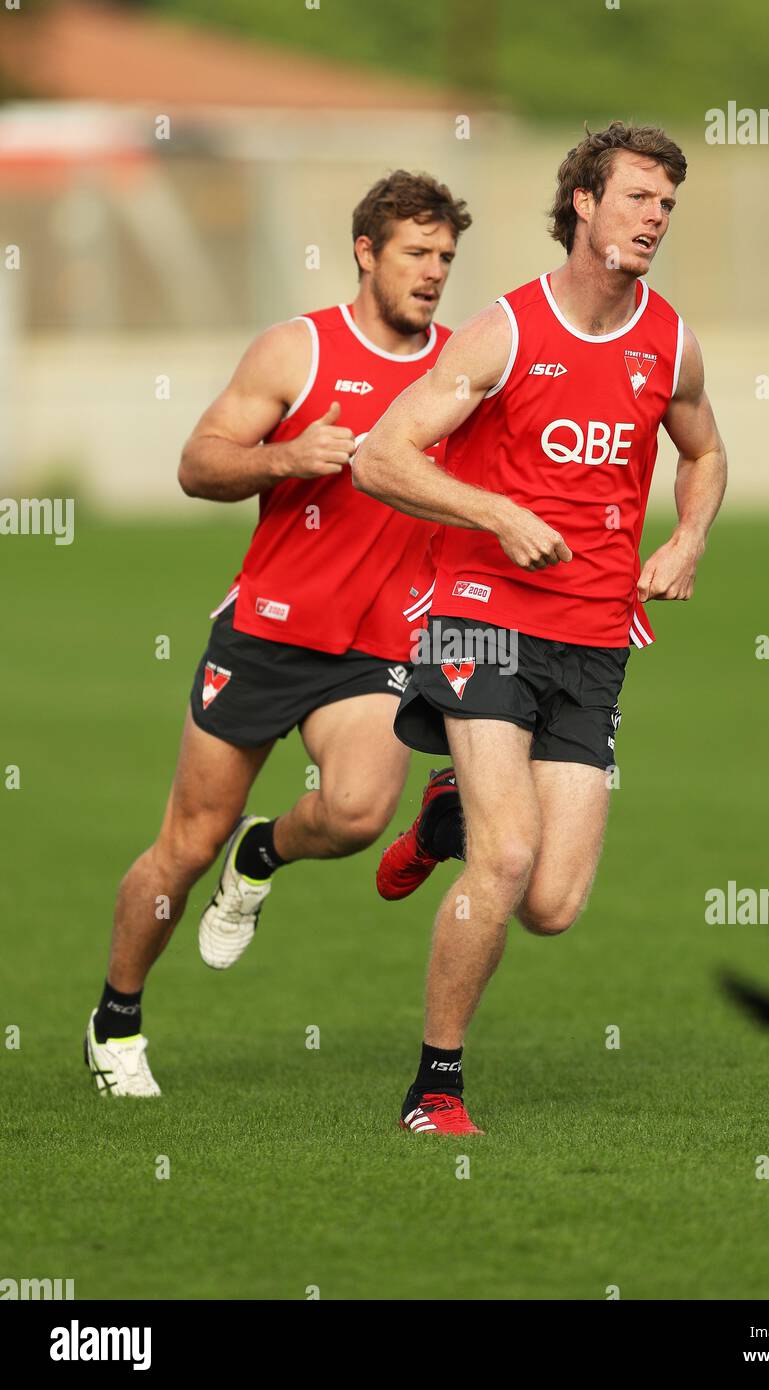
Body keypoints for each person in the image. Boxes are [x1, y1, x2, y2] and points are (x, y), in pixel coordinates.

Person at [352, 123, 727, 1135]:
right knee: (508, 857)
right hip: (477, 617)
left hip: (597, 631)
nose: (654, 218)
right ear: (582, 204)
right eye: (638, 198)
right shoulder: (505, 331)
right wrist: (497, 514)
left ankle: (446, 818)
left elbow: (702, 451)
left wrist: (688, 534)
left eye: (666, 205)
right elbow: (381, 457)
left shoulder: (670, 340)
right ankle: (434, 1088)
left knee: (553, 903)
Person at [85, 171, 471, 1097]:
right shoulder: (295, 351)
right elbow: (197, 464)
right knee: (184, 845)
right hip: (267, 634)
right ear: (366, 253)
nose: (432, 274)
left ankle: (265, 853)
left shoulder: (462, 365)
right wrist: (286, 458)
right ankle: (116, 1020)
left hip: (379, 645)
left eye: (446, 258)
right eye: (415, 254)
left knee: (357, 813)